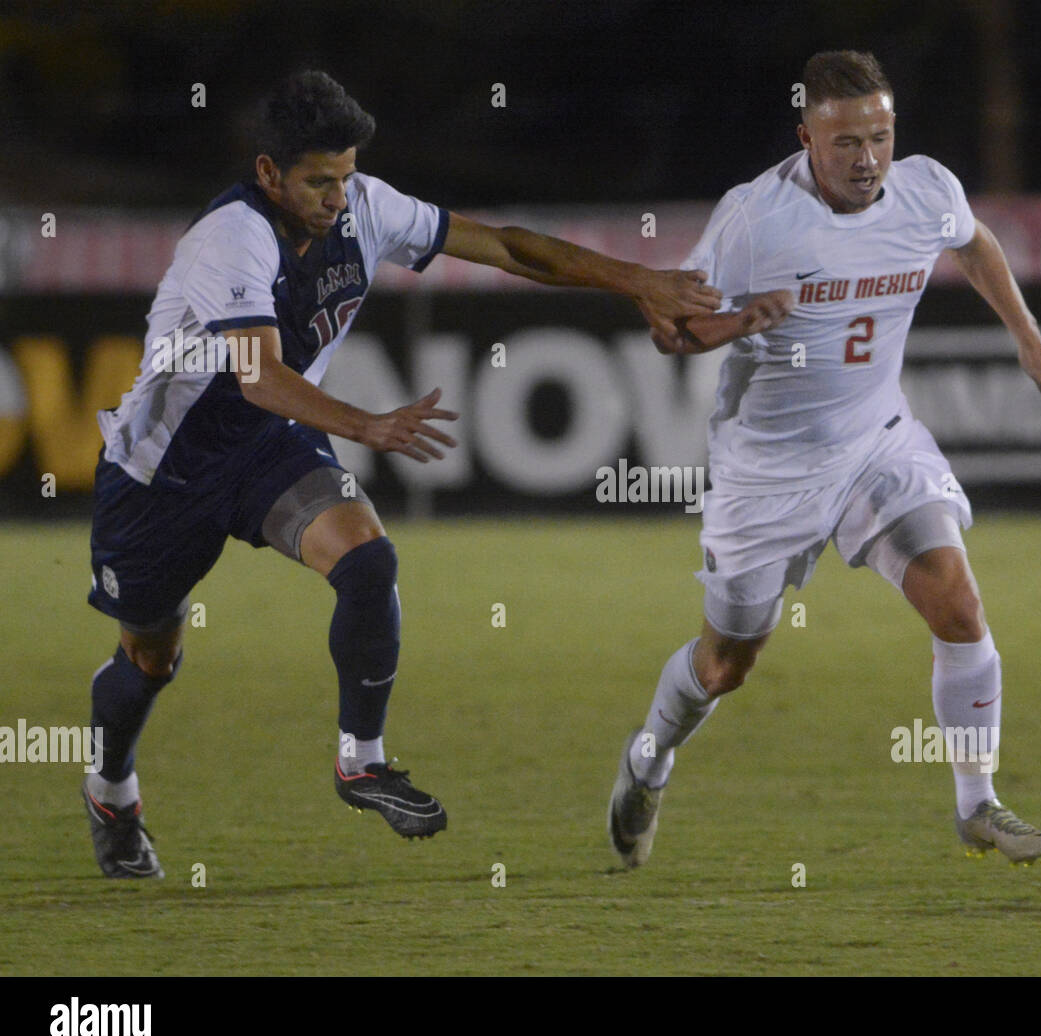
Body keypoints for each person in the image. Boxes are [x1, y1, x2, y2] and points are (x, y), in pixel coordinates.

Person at [83, 70, 721, 878]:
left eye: (346, 176)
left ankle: (363, 759)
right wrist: (366, 425)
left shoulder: (369, 206)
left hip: (264, 446)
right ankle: (111, 790)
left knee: (368, 559)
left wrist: (639, 280)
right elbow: (257, 374)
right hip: (160, 473)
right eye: (319, 180)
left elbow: (505, 245)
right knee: (149, 658)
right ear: (269, 173)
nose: (339, 197)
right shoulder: (229, 239)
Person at [608, 49, 1041, 869]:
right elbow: (670, 329)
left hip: (877, 441)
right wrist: (741, 322)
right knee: (726, 666)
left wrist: (1028, 337)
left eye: (880, 137)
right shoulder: (755, 218)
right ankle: (650, 755)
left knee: (961, 607)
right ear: (806, 139)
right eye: (846, 144)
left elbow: (974, 244)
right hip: (768, 471)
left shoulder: (926, 188)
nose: (867, 160)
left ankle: (979, 805)